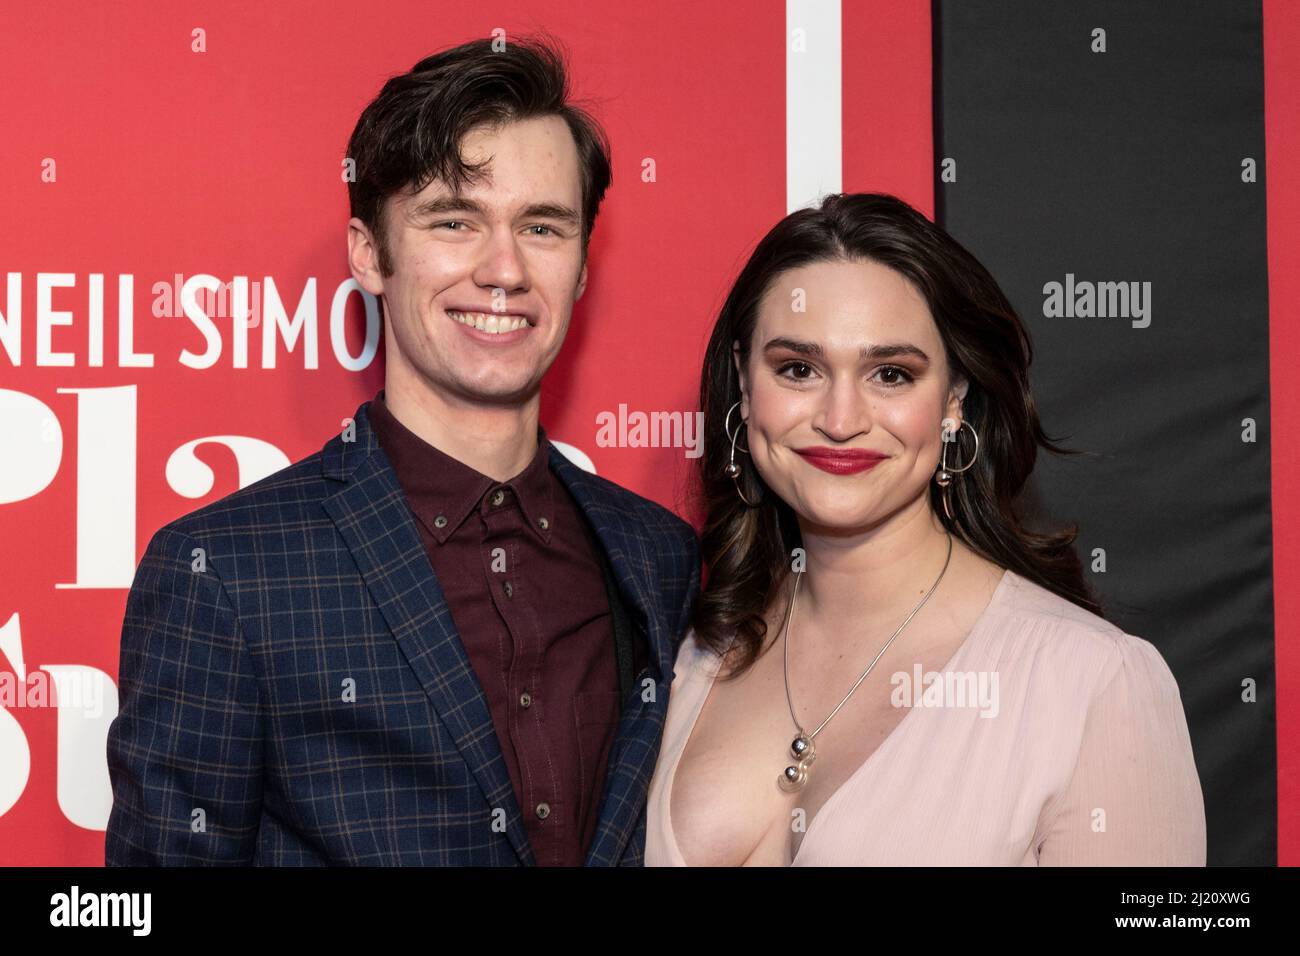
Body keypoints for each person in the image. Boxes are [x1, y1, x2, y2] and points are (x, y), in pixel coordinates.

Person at [105, 36, 698, 866]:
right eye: (454, 221)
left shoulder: (660, 559)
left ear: (583, 266)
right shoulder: (225, 573)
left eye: (542, 226)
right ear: (368, 253)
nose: (504, 269)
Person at [645, 193, 1206, 866]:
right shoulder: (689, 656)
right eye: (798, 368)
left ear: (954, 399)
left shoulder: (1091, 683)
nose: (841, 417)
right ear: (743, 381)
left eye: (890, 374)